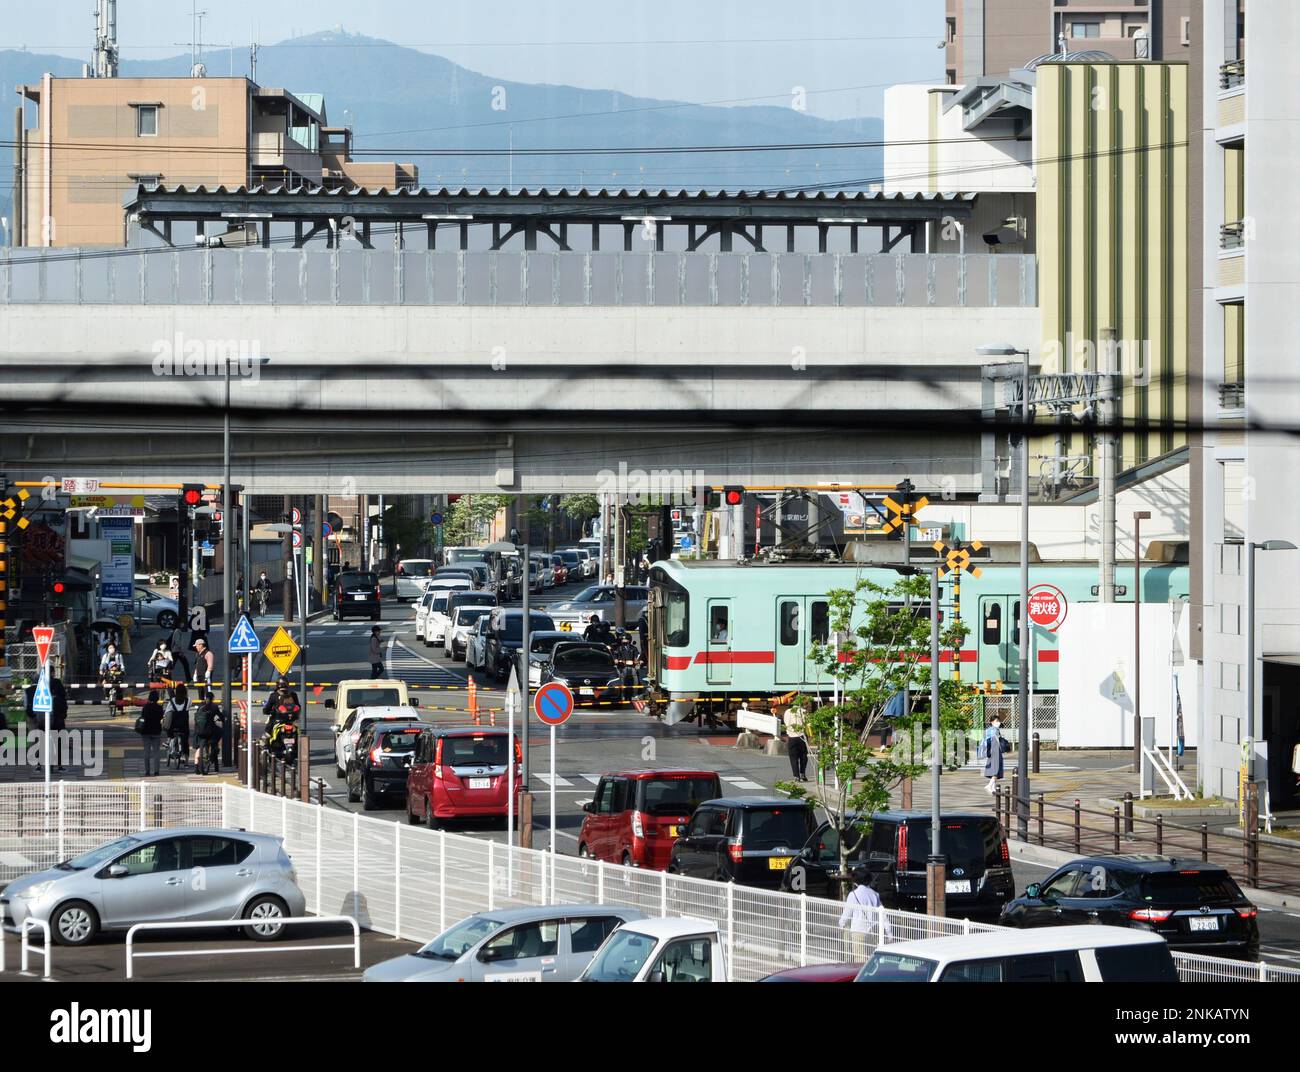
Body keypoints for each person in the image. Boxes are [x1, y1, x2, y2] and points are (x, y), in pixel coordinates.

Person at [838, 869, 890, 961]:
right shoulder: (875, 894)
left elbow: (847, 913)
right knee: (872, 960)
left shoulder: (853, 894)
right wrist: (889, 933)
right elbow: (883, 914)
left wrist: (841, 924)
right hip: (874, 930)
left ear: (855, 881)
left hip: (858, 929)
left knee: (860, 959)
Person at [25, 675, 69, 771]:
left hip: (39, 721)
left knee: (39, 742)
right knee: (58, 742)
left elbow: (26, 705)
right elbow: (63, 709)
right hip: (54, 723)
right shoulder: (56, 697)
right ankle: (59, 765)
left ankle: (38, 764)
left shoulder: (30, 692)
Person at [192, 690, 224, 773]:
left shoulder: (200, 706)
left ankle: (196, 766)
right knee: (220, 731)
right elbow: (221, 716)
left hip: (200, 730)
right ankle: (214, 749)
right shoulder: (214, 706)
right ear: (212, 698)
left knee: (199, 747)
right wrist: (222, 719)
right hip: (210, 730)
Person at [137, 694, 165, 776]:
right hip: (156, 731)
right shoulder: (159, 708)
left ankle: (147, 771)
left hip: (145, 731)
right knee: (156, 752)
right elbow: (161, 718)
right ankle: (156, 771)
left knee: (147, 752)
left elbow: (142, 717)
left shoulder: (146, 707)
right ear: (157, 699)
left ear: (149, 698)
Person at [164, 682, 191, 762]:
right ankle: (186, 761)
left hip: (173, 727)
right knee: (185, 742)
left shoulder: (172, 701)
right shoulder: (188, 700)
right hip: (184, 727)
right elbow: (189, 705)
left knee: (169, 732)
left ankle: (169, 742)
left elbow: (167, 712)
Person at [980, 716, 1006, 793]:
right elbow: (990, 741)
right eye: (996, 721)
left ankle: (993, 787)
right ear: (992, 722)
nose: (998, 722)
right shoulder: (992, 730)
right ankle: (989, 785)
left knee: (995, 768)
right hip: (994, 752)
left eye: (998, 720)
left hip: (995, 751)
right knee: (996, 769)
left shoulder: (994, 730)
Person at [784, 704, 809, 781]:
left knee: (793, 758)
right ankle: (802, 773)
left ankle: (796, 776)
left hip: (791, 737)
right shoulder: (803, 712)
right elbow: (807, 725)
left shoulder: (787, 712)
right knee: (803, 756)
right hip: (802, 736)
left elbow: (786, 723)